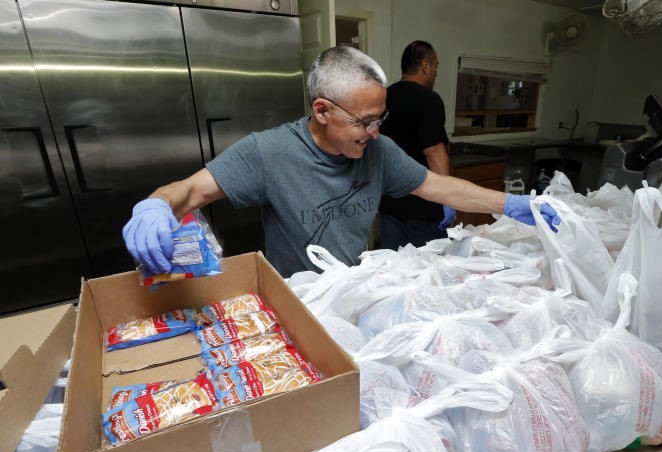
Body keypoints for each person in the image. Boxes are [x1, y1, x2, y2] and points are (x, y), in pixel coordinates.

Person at [123, 46, 559, 279]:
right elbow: (191, 190)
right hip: (299, 297)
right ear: (322, 110)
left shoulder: (378, 150)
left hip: (354, 286)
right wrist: (156, 205)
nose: (374, 133)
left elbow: (439, 186)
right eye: (364, 121)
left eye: (379, 118)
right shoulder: (269, 153)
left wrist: (510, 205)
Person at [378, 40, 454, 250]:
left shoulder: (384, 97)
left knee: (392, 268)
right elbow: (434, 152)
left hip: (389, 202)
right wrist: (448, 197)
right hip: (424, 206)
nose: (436, 72)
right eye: (436, 66)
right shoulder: (429, 100)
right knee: (428, 269)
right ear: (426, 65)